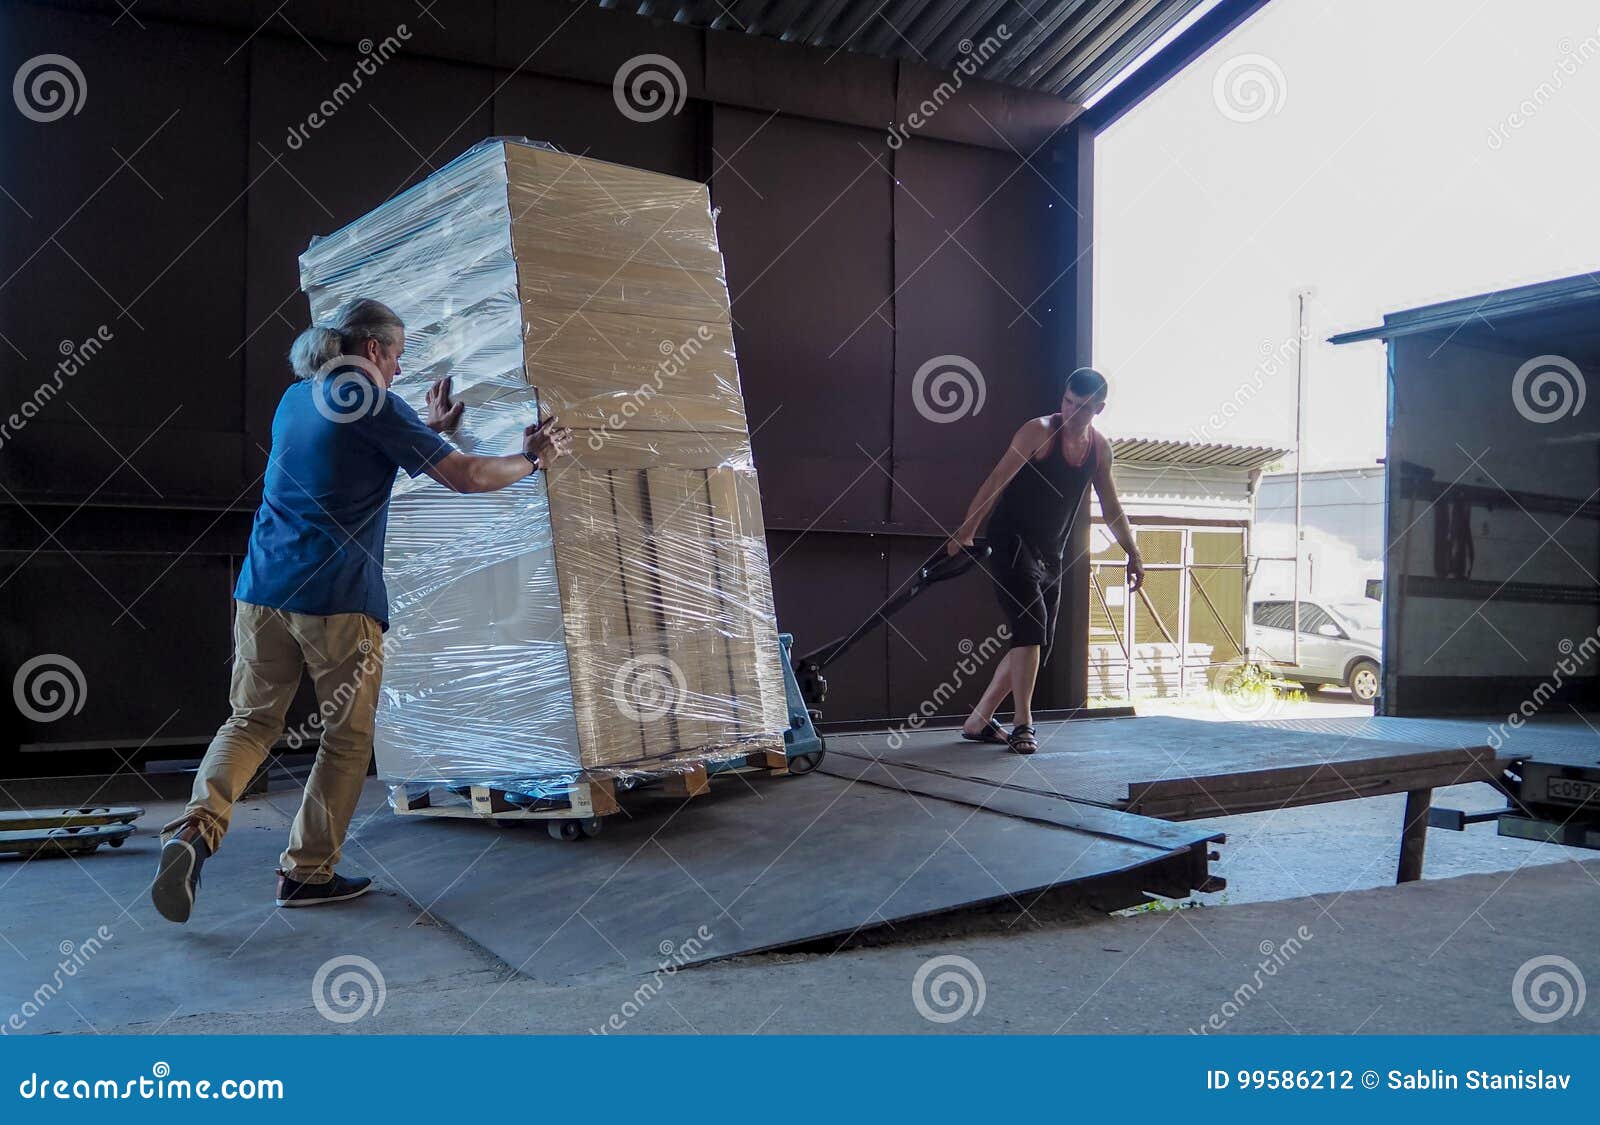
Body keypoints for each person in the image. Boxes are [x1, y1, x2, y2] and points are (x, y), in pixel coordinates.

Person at [150, 298, 572, 923]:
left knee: (250, 723)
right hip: (337, 603)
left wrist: (431, 431)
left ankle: (194, 831)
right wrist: (535, 457)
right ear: (374, 349)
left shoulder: (296, 398)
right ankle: (307, 873)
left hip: (261, 590)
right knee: (346, 742)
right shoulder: (373, 400)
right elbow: (469, 479)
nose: (399, 371)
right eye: (398, 356)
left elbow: (353, 470)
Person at [946, 367, 1144, 755]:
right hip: (1010, 542)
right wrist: (966, 530)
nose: (1071, 413)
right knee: (1032, 630)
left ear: (1098, 409)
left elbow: (1112, 508)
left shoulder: (1099, 450)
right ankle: (1024, 725)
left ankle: (979, 720)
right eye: (1068, 402)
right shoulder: (1038, 431)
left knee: (1035, 641)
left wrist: (1133, 553)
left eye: (1082, 407)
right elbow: (997, 480)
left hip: (1051, 554)